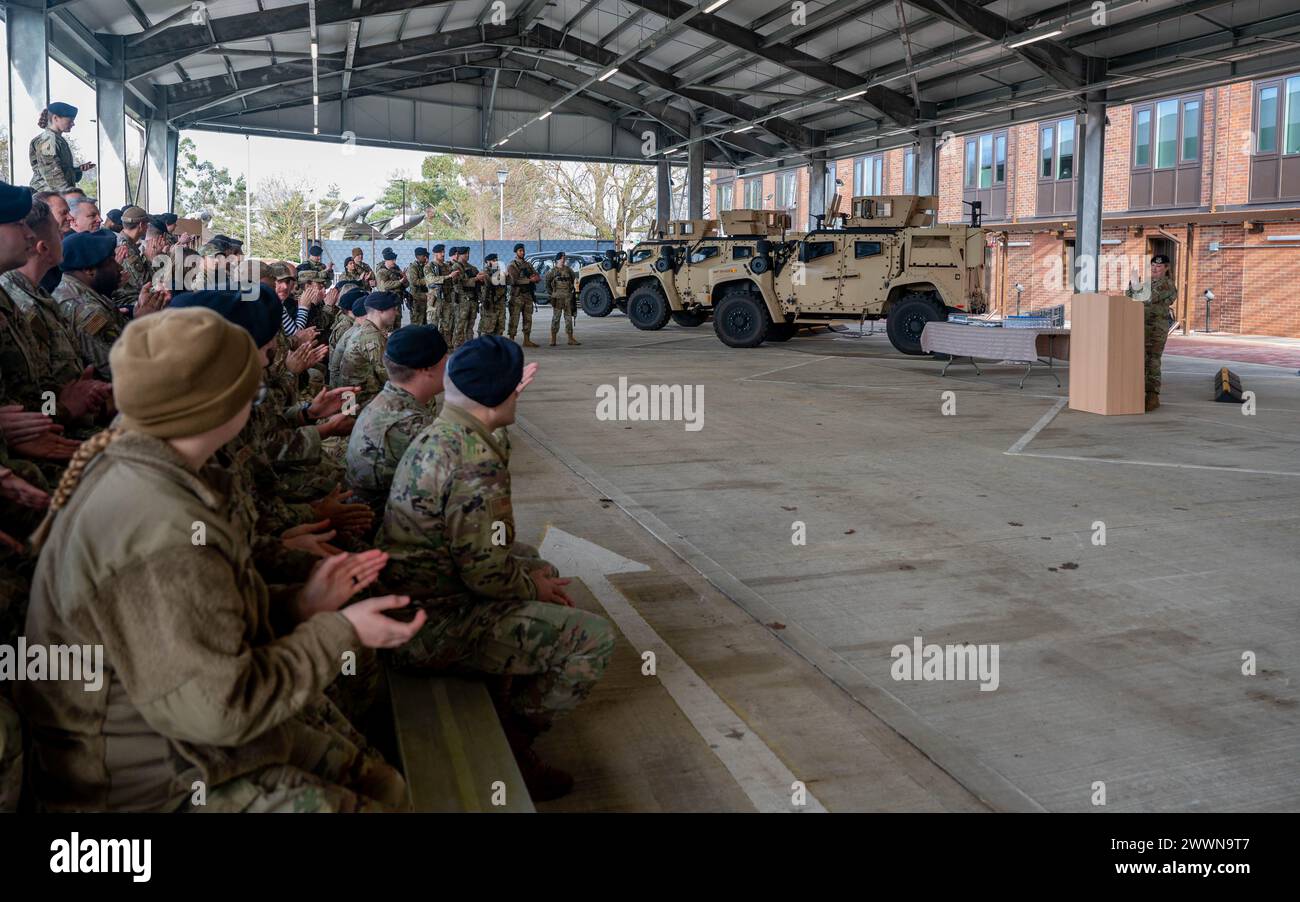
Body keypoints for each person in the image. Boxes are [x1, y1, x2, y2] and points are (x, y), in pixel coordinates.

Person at [17, 306, 425, 812]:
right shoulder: (160, 526)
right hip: (145, 776)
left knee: (383, 783)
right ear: (222, 405)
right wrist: (343, 632)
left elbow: (197, 624)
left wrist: (299, 605)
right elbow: (220, 711)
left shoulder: (142, 466)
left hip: (166, 730)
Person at [377, 336, 615, 800]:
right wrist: (534, 588)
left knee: (534, 561)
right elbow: (485, 575)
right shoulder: (474, 462)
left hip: (412, 602)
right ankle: (518, 740)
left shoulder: (444, 431)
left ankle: (505, 680)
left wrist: (530, 577)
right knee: (592, 638)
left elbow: (487, 554)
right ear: (502, 395)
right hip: (430, 629)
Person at [0, 197, 112, 426]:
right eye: (58, 232)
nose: (64, 237)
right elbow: (35, 398)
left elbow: (48, 388)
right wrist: (64, 407)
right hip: (57, 431)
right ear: (43, 247)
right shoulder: (24, 306)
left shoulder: (37, 297)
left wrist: (85, 395)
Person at [345, 325, 447, 517]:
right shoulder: (409, 426)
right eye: (445, 360)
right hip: (386, 531)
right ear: (427, 369)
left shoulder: (385, 402)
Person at [54, 229, 169, 379]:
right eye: (111, 261)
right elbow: (125, 368)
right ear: (89, 270)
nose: (120, 267)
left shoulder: (76, 289)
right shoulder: (87, 311)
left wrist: (137, 314)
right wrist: (144, 323)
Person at [1127, 253, 1177, 412]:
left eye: (1159, 266)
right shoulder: (1147, 283)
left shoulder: (1167, 285)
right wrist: (1133, 285)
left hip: (1156, 328)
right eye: (1153, 266)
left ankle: (1152, 396)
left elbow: (1146, 298)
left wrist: (1135, 287)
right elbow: (1129, 296)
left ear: (1166, 268)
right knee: (1140, 360)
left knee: (1152, 361)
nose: (1155, 269)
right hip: (1140, 326)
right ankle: (1137, 393)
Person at [336, 290, 399, 407]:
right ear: (381, 310)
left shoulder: (365, 330)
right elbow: (387, 376)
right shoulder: (372, 337)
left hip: (354, 395)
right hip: (359, 400)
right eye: (393, 309)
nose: (397, 313)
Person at [28, 103, 96, 194]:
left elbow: (59, 169)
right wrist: (69, 195)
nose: (73, 124)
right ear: (55, 118)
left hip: (56, 195)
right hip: (47, 197)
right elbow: (51, 172)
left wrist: (77, 170)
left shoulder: (58, 140)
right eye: (70, 120)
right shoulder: (47, 140)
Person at [507, 242, 541, 347]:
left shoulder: (528, 264)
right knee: (514, 319)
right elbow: (514, 281)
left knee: (528, 319)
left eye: (523, 250)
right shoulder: (512, 265)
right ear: (516, 252)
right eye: (520, 251)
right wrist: (529, 280)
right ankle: (511, 340)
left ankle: (527, 340)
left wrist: (536, 278)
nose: (522, 252)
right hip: (517, 296)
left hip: (527, 295)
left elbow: (536, 274)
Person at [545, 251, 580, 346]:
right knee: (556, 318)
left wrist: (572, 290)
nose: (563, 259)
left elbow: (573, 279)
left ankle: (570, 338)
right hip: (557, 298)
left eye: (564, 257)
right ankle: (553, 338)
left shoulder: (568, 270)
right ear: (557, 259)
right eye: (562, 257)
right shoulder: (553, 271)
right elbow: (547, 283)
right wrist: (552, 293)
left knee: (568, 318)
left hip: (567, 298)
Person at [478, 253, 508, 337]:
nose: (496, 262)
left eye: (496, 260)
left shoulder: (499, 271)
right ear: (487, 262)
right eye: (493, 260)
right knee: (488, 326)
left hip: (500, 302)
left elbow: (511, 281)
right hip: (490, 302)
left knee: (500, 326)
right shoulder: (485, 272)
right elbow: (492, 281)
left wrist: (506, 275)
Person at [406, 246, 430, 326]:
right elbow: (414, 281)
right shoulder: (413, 267)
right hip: (416, 299)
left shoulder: (425, 266)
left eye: (426, 256)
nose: (425, 258)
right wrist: (429, 280)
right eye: (423, 256)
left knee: (425, 323)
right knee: (416, 323)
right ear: (417, 257)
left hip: (425, 298)